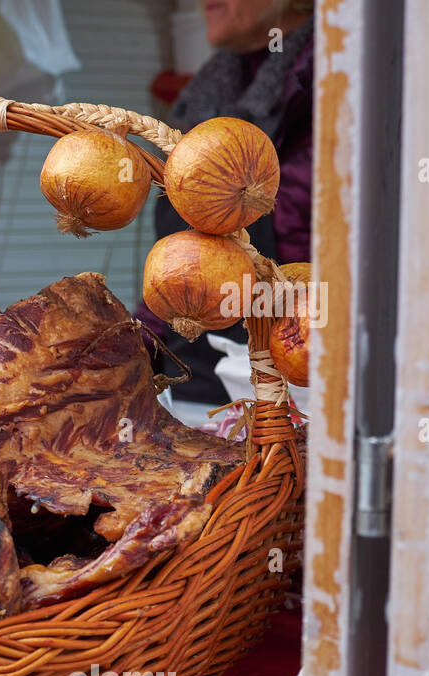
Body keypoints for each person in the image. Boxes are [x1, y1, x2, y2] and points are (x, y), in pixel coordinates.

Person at [136, 0, 315, 423]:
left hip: (300, 405)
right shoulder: (208, 94)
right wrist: (132, 346)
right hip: (193, 392)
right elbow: (187, 259)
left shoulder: (343, 90)